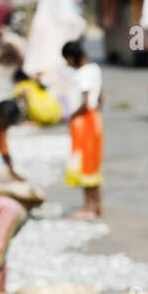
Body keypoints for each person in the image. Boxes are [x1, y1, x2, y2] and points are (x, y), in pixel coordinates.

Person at [62, 40, 103, 220]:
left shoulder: (83, 74)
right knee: (92, 164)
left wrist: (71, 117)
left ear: (72, 57)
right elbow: (100, 97)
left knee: (85, 164)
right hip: (95, 119)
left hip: (85, 121)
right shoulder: (94, 68)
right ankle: (98, 206)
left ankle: (89, 207)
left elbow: (85, 103)